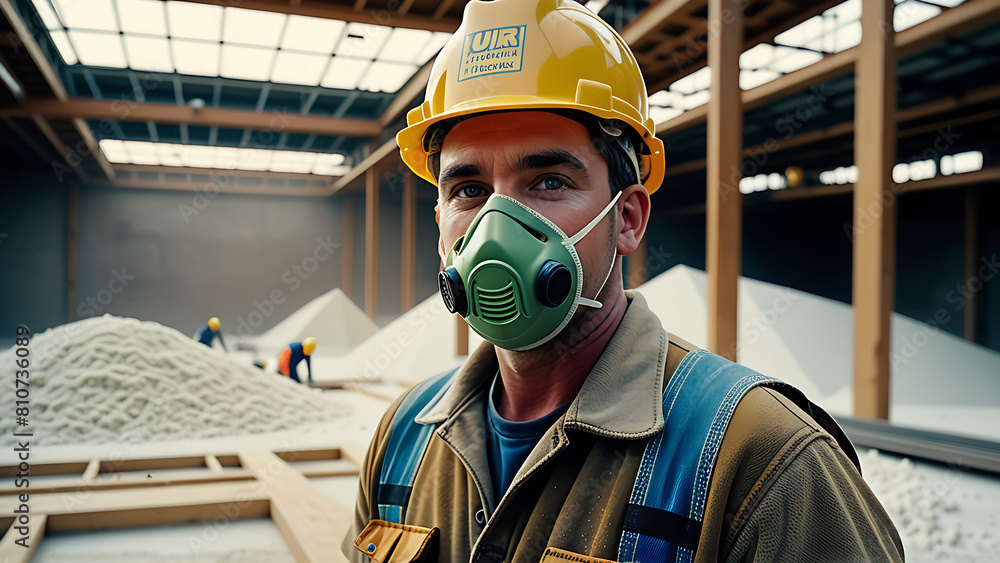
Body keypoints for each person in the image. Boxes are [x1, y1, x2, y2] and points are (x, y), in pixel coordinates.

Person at [343, 1, 904, 561]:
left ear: (628, 218)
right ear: (440, 221)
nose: (497, 226)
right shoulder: (400, 443)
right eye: (468, 190)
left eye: (548, 182)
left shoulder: (765, 465)